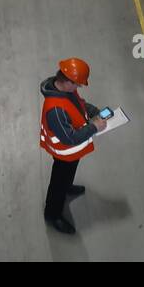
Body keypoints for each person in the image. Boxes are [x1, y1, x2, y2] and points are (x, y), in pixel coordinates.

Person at [39, 58, 107, 234]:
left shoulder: (65, 91)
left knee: (68, 175)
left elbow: (79, 105)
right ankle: (52, 214)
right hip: (64, 153)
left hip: (72, 154)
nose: (79, 88)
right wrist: (94, 127)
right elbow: (69, 138)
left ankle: (67, 186)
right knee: (58, 184)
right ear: (67, 81)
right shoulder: (55, 109)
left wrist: (93, 112)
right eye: (77, 85)